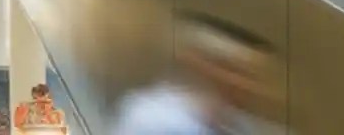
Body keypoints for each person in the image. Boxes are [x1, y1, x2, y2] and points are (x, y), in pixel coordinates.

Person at [112, 14, 275, 134]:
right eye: (238, 71)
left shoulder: (235, 122)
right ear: (204, 65)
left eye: (253, 75)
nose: (248, 85)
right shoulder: (155, 119)